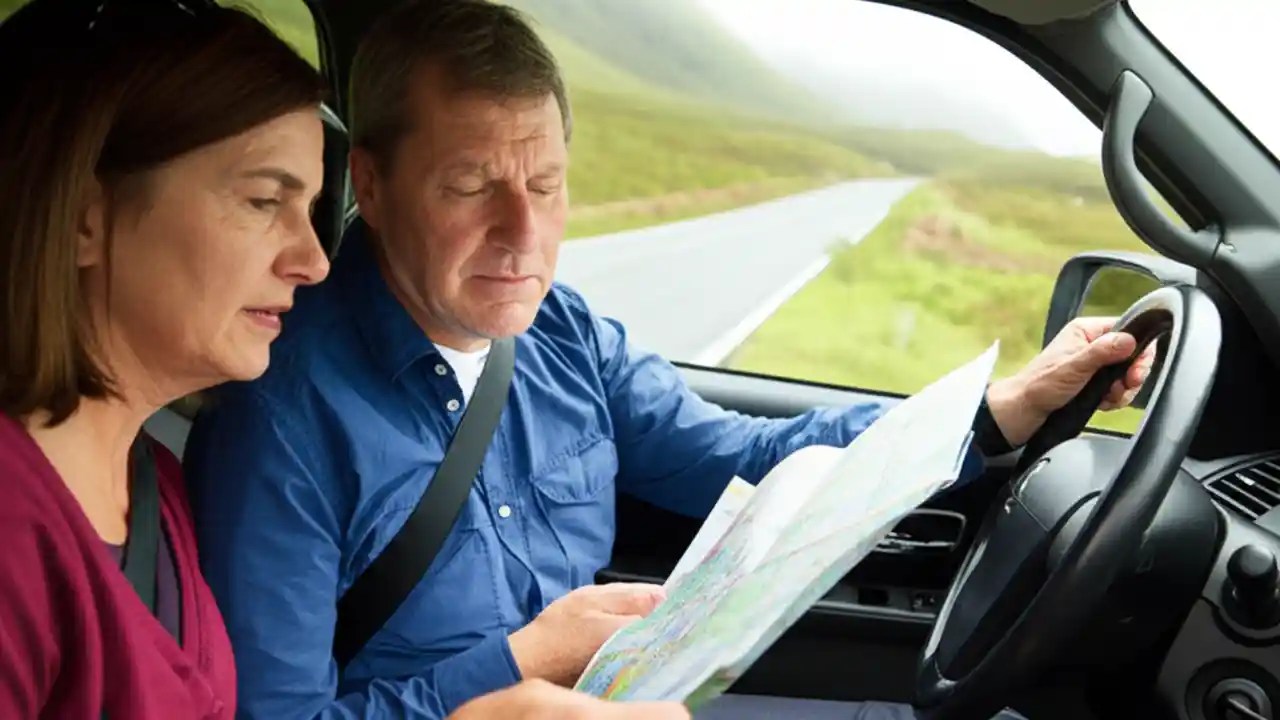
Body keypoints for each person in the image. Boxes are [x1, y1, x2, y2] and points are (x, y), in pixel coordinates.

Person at [182, 0, 1152, 718]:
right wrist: (517, 663)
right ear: (373, 185)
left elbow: (752, 458)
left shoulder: (558, 333)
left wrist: (1006, 406)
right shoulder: (278, 419)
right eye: (470, 185)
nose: (522, 233)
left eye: (547, 184)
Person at [0, 0, 329, 717]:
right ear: (84, 218)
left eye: (310, 212)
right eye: (264, 200)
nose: (313, 261)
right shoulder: (13, 533)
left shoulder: (153, 478)